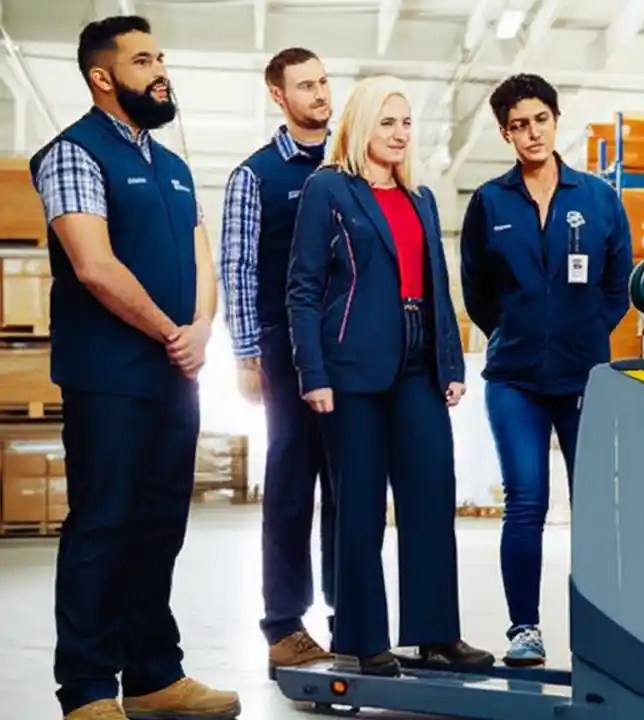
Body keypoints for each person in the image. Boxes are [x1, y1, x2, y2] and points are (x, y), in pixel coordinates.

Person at [28, 15, 240, 720]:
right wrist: (167, 330)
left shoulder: (173, 166)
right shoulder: (72, 153)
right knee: (103, 524)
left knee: (160, 527)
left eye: (160, 57)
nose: (159, 69)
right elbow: (93, 265)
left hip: (173, 377)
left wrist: (202, 329)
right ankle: (87, 689)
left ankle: (152, 676)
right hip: (110, 375)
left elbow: (202, 258)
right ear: (102, 76)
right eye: (143, 59)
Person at [287, 74, 494, 677]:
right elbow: (302, 288)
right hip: (350, 368)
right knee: (360, 507)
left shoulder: (421, 198)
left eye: (406, 123)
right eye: (387, 122)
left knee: (430, 497)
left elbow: (436, 284)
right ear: (360, 126)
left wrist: (450, 362)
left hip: (417, 365)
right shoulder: (328, 189)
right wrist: (313, 371)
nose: (400, 134)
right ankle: (361, 637)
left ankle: (435, 634)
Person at [459, 73, 634, 667]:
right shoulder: (490, 201)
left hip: (584, 376)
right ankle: (524, 629)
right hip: (514, 378)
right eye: (517, 125)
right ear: (505, 133)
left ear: (556, 121)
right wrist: (513, 332)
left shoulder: (598, 197)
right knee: (527, 500)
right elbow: (477, 292)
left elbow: (618, 285)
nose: (531, 133)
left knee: (593, 505)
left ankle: (602, 625)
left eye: (539, 120)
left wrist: (584, 335)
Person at [219, 46, 337, 679]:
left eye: (324, 82)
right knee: (291, 486)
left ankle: (354, 615)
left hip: (347, 350)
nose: (320, 94)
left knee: (351, 485)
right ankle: (284, 625)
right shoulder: (256, 175)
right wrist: (245, 354)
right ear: (278, 95)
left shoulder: (351, 166)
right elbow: (236, 266)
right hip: (284, 347)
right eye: (305, 85)